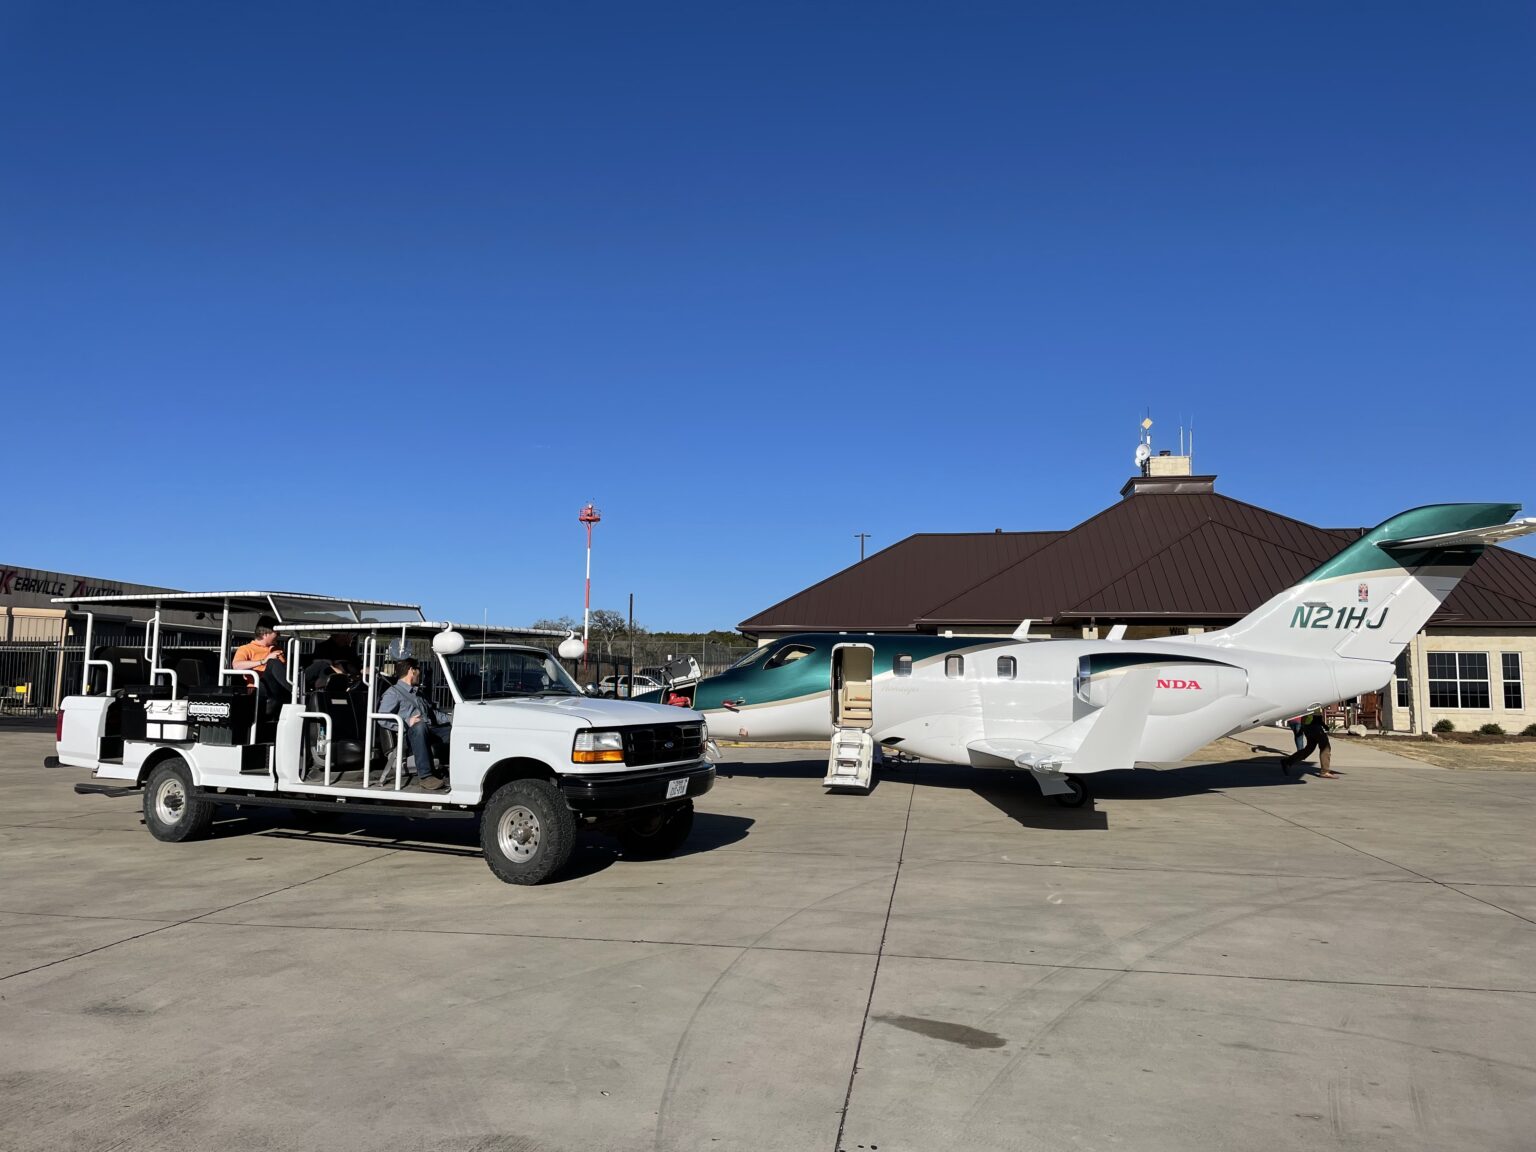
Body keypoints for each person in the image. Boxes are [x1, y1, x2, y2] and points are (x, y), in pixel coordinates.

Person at [376, 657, 451, 790]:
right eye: (418, 671)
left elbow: (433, 714)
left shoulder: (418, 693)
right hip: (408, 737)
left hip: (428, 731)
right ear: (412, 671)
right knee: (419, 727)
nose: (420, 674)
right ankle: (426, 777)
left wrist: (456, 720)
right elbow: (382, 718)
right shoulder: (393, 693)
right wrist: (406, 721)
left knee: (455, 732)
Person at [231, 618, 295, 711]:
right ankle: (294, 690)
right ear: (265, 634)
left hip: (278, 687)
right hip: (258, 687)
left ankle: (299, 690)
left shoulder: (277, 650)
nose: (279, 635)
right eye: (277, 633)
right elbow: (236, 666)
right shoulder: (246, 649)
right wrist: (264, 661)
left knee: (319, 665)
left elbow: (285, 671)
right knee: (273, 662)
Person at [1281, 709, 1336, 778]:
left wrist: (1323, 725)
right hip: (1313, 726)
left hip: (1309, 726)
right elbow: (1312, 715)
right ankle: (1324, 771)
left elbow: (1316, 716)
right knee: (1325, 747)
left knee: (1309, 748)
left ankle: (1288, 761)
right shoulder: (1316, 702)